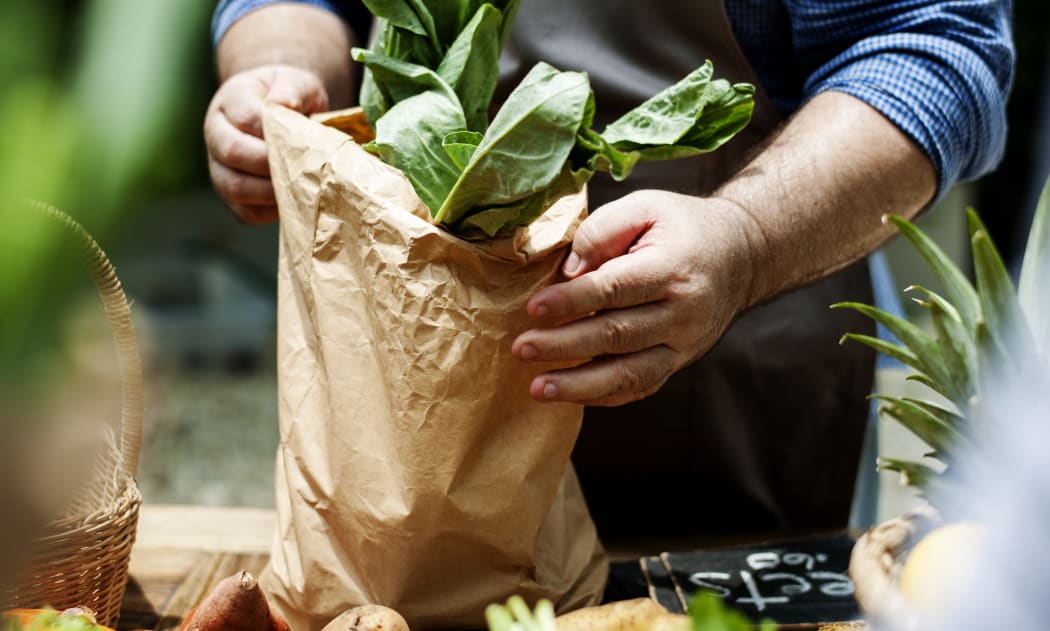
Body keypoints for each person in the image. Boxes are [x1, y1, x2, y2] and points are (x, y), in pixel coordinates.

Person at [206, 1, 1013, 537]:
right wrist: (276, 66)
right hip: (401, 428)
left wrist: (744, 238)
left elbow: (932, 51)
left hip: (719, 425)